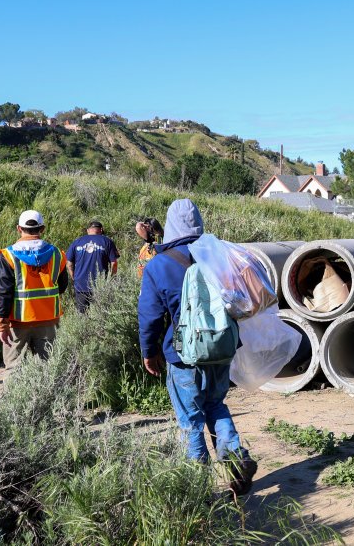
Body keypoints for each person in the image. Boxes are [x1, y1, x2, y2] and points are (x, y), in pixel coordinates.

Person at [138, 199, 256, 495]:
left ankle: (196, 487)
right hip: (221, 347)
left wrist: (148, 352)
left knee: (190, 420)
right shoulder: (219, 256)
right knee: (216, 404)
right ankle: (236, 461)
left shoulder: (159, 264)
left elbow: (150, 316)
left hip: (183, 355)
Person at [0, 210, 69, 369]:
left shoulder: (7, 256)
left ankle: (13, 395)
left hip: (18, 322)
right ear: (42, 229)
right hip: (48, 321)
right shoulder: (57, 254)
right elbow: (62, 286)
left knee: (14, 367)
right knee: (48, 368)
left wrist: (2, 325)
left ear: (19, 229)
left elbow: (3, 293)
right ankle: (49, 395)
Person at [65, 220, 120, 313]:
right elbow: (114, 263)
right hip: (100, 285)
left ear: (88, 230)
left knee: (82, 316)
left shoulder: (77, 242)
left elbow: (69, 263)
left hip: (81, 284)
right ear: (101, 230)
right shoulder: (107, 241)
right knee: (102, 316)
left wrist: (74, 276)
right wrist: (111, 279)